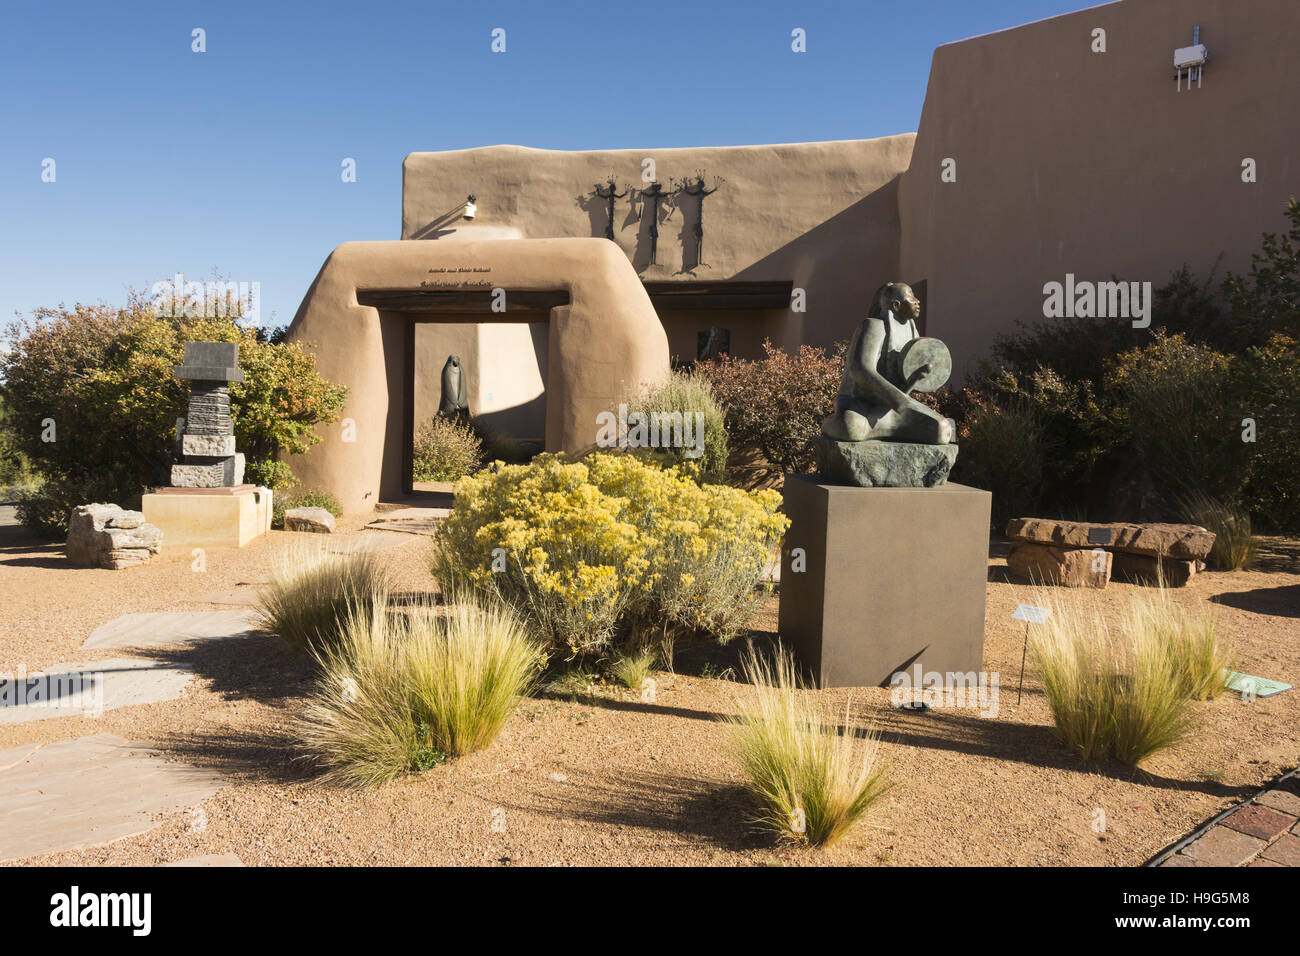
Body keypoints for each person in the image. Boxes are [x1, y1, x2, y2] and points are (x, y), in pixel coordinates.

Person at [822, 282, 954, 444]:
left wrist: (919, 377)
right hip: (861, 405)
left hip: (893, 411)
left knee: (942, 430)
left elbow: (907, 379)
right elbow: (860, 370)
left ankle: (877, 429)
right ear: (896, 305)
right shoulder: (873, 326)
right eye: (911, 297)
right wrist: (898, 399)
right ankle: (836, 424)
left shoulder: (913, 333)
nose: (917, 301)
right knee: (851, 428)